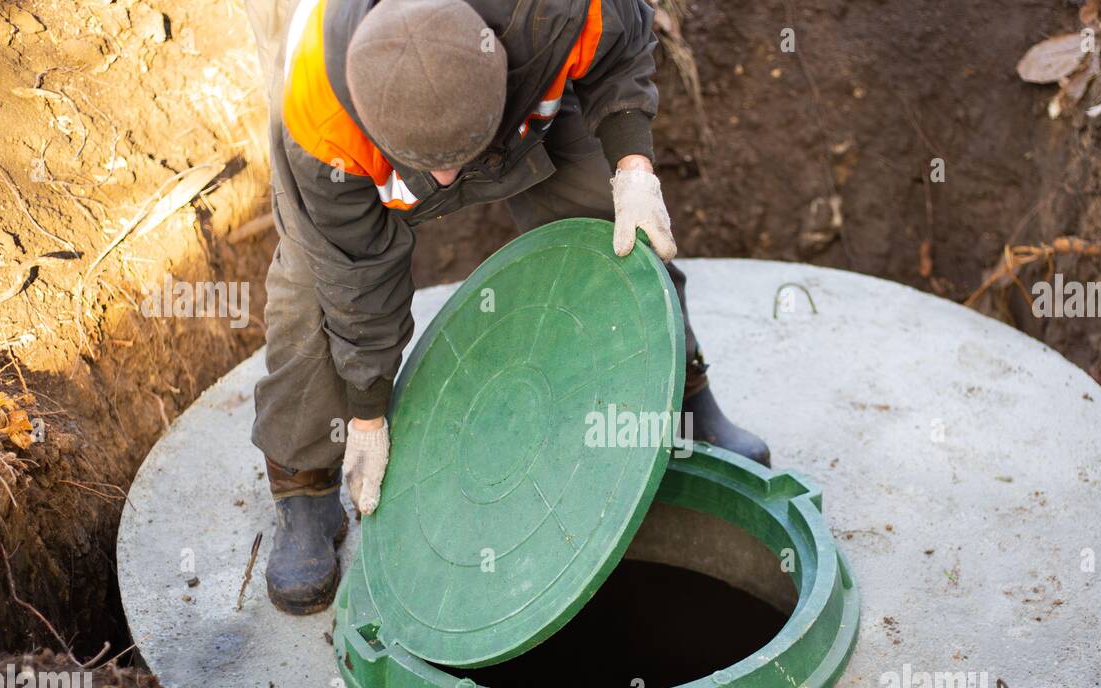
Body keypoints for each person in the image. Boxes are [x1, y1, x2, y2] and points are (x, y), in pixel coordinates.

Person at [246, 0, 770, 614]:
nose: (445, 183)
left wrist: (632, 166)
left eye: (454, 160)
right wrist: (365, 411)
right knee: (313, 290)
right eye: (429, 166)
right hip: (353, 145)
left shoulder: (559, 12)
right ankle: (304, 486)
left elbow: (622, 51)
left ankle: (676, 392)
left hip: (519, 107)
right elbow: (356, 272)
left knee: (604, 220)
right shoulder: (318, 111)